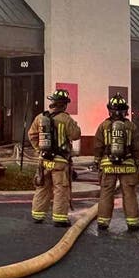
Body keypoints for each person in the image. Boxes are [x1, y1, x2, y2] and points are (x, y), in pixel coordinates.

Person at [28, 89, 81, 227]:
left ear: (52, 102)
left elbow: (31, 135)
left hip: (44, 160)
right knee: (60, 189)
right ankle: (59, 218)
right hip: (60, 161)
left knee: (42, 187)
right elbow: (76, 135)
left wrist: (39, 149)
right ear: (64, 105)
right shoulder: (66, 119)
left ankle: (37, 215)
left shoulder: (40, 117)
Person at [94, 95, 139, 232]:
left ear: (110, 110)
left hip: (108, 165)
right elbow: (136, 147)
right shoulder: (131, 126)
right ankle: (133, 223)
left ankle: (103, 222)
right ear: (125, 111)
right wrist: (136, 162)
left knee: (106, 193)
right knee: (129, 193)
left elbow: (98, 145)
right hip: (127, 165)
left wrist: (97, 161)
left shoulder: (103, 126)